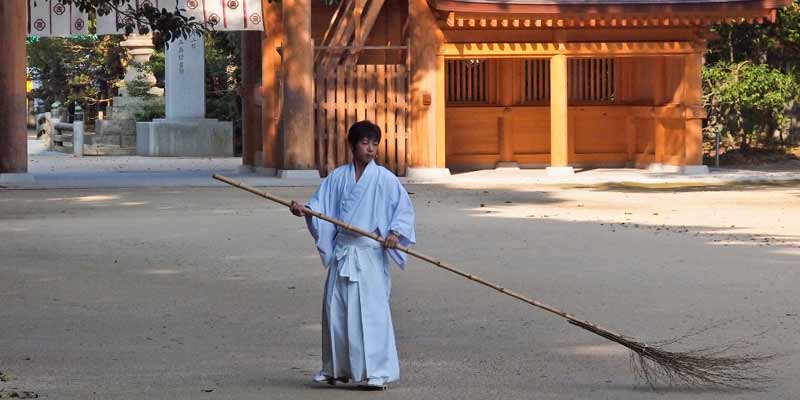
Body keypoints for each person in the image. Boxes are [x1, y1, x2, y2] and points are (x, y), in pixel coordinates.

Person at [289, 120, 416, 390]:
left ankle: (377, 373)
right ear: (353, 145)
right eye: (364, 143)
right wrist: (305, 210)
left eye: (374, 144)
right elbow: (320, 205)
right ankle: (335, 369)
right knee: (336, 310)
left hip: (369, 254)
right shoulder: (337, 177)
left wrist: (394, 232)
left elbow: (403, 210)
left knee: (371, 314)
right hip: (344, 252)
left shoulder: (384, 179)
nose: (370, 149)